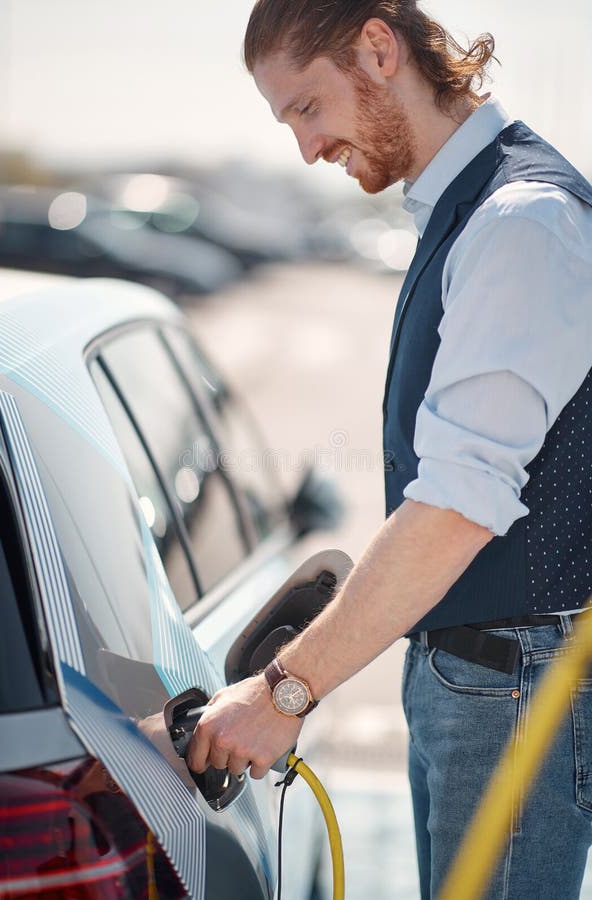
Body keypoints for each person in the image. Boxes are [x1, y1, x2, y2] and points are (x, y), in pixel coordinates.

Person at [187, 2, 592, 896]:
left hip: (512, 689)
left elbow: (455, 506)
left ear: (378, 48)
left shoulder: (521, 220)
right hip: (485, 678)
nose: (305, 148)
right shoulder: (470, 208)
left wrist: (284, 691)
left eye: (307, 108)